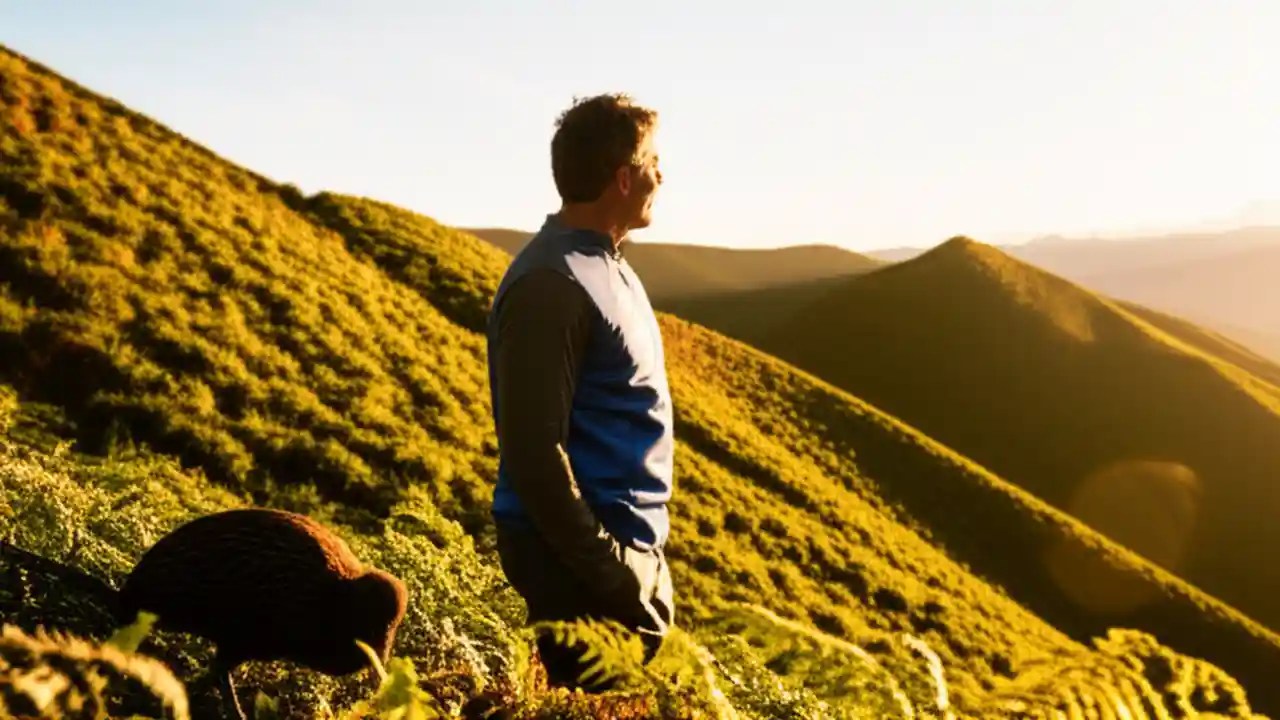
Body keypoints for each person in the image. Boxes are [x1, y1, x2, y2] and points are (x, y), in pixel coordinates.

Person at [485, 93, 674, 691]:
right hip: (580, 567)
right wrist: (611, 569)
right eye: (651, 161)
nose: (660, 174)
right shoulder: (551, 282)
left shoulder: (608, 264)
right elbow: (535, 454)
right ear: (623, 178)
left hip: (622, 553)